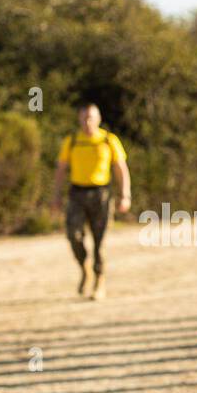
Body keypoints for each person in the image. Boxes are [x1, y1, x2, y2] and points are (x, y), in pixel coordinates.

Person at [52, 102, 131, 300]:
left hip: (101, 194)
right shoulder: (72, 141)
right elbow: (61, 170)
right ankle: (85, 267)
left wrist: (125, 194)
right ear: (79, 119)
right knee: (73, 235)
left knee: (100, 240)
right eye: (84, 117)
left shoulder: (108, 140)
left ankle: (99, 281)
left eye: (91, 117)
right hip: (77, 193)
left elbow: (120, 168)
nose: (88, 122)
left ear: (99, 119)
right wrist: (56, 196)